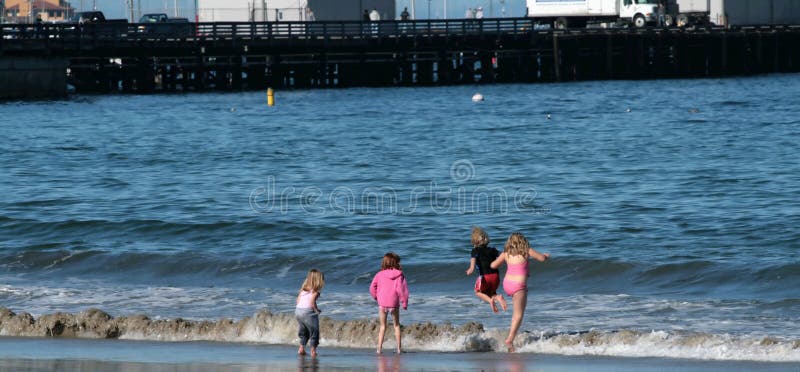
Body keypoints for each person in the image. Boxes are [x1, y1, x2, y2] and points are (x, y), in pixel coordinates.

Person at [490, 232, 550, 352]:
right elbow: (542, 259)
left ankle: (511, 337)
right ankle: (510, 339)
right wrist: (546, 255)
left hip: (507, 284)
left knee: (516, 313)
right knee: (518, 315)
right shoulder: (527, 250)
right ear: (523, 242)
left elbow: (493, 265)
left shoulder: (506, 253)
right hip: (519, 286)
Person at [370, 252, 409, 354]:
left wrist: (376, 297)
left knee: (383, 326)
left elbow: (372, 288)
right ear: (396, 262)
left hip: (382, 304)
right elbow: (402, 290)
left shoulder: (379, 274)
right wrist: (404, 303)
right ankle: (399, 349)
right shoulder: (400, 275)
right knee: (396, 325)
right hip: (394, 304)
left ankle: (379, 349)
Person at [465, 227, 507, 313]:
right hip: (495, 277)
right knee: (491, 293)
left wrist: (471, 268)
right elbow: (503, 255)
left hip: (484, 278)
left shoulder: (475, 251)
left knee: (477, 292)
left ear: (474, 241)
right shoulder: (493, 250)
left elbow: (473, 260)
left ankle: (490, 301)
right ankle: (497, 297)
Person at [296, 269, 325, 357]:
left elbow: (297, 301)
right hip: (308, 313)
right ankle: (313, 351)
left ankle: (301, 348)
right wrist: (316, 310)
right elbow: (312, 302)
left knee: (303, 331)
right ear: (319, 281)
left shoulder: (303, 290)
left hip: (298, 311)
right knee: (314, 332)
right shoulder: (315, 292)